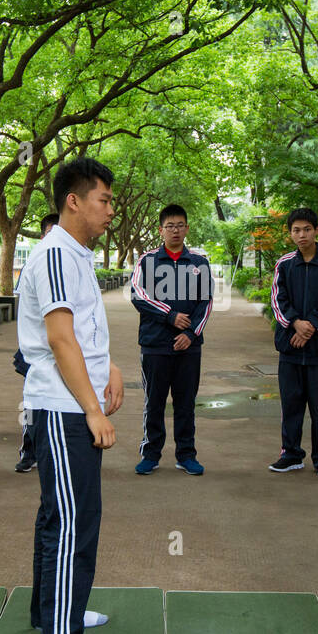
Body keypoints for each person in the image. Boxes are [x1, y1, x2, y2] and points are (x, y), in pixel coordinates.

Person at [18, 158, 125, 634]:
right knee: (72, 520)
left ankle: (54, 609)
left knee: (59, 514)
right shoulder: (56, 253)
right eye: (103, 199)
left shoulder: (77, 254)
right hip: (63, 410)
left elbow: (79, 330)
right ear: (73, 201)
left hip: (72, 403)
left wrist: (113, 367)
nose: (110, 209)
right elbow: (59, 340)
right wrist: (91, 409)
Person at [131, 203, 214, 476]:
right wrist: (170, 316)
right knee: (153, 401)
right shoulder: (148, 260)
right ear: (161, 230)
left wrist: (190, 334)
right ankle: (151, 453)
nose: (175, 230)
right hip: (155, 345)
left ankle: (186, 455)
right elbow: (138, 296)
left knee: (185, 403)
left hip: (188, 348)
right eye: (170, 226)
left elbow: (206, 302)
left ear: (187, 228)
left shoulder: (199, 263)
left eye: (180, 225)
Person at [268, 208, 318, 477]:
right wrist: (294, 323)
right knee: (291, 405)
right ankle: (290, 454)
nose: (301, 235)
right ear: (290, 234)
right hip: (290, 349)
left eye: (307, 229)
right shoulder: (284, 264)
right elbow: (278, 300)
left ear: (316, 230)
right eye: (296, 230)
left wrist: (310, 325)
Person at [15, 213, 59, 473]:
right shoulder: (34, 261)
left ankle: (53, 452)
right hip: (36, 352)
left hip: (62, 349)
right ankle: (28, 450)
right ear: (43, 235)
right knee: (29, 403)